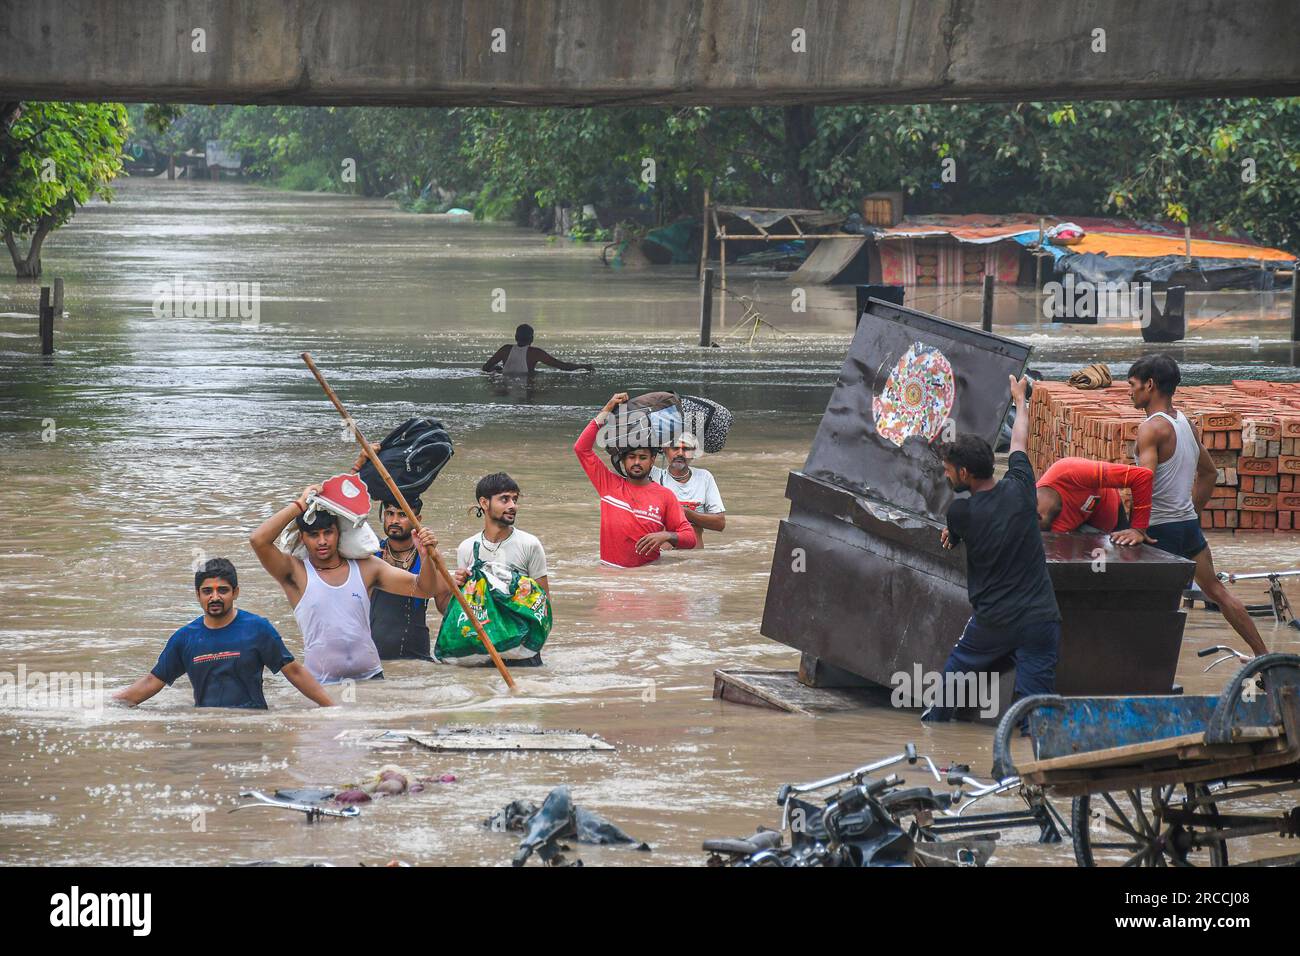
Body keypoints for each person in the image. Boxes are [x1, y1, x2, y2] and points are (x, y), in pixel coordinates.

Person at [926, 375, 1061, 721]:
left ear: (966, 472)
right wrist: (1020, 399)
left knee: (955, 675)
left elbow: (955, 532)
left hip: (994, 621)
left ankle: (937, 735)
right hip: (1040, 618)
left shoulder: (960, 512)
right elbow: (1019, 439)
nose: (946, 476)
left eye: (948, 471)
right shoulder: (1020, 487)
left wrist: (952, 535)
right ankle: (1038, 758)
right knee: (1036, 709)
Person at [1128, 354, 1267, 656]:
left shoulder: (1150, 429)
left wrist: (1138, 528)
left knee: (1144, 607)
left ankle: (1147, 678)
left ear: (1149, 385)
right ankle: (1265, 657)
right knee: (1218, 592)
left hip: (1156, 533)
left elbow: (1144, 482)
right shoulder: (1185, 424)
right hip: (1187, 528)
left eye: (1133, 385)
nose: (1130, 392)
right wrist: (1190, 512)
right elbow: (1209, 473)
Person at [249, 485, 441, 683]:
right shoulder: (295, 572)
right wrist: (300, 503)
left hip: (372, 678)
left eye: (328, 533)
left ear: (339, 533)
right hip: (323, 682)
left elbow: (424, 589)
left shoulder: (366, 567)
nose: (322, 541)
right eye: (314, 535)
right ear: (302, 538)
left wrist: (426, 556)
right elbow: (258, 540)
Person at [114, 558, 333, 709]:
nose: (215, 597)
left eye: (223, 590)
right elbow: (153, 680)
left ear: (235, 593)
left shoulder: (258, 629)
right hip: (206, 726)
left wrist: (332, 708)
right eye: (207, 591)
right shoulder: (184, 638)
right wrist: (111, 704)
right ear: (198, 595)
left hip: (252, 724)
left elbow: (293, 671)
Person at [574, 392, 696, 568]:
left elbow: (690, 538)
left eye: (643, 457)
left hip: (645, 579)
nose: (637, 462)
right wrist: (607, 410)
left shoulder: (665, 496)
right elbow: (581, 449)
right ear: (623, 460)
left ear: (653, 460)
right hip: (610, 577)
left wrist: (666, 536)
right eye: (631, 457)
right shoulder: (608, 484)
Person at [441, 472, 549, 612]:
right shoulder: (467, 548)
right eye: (505, 499)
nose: (513, 506)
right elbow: (461, 609)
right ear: (484, 503)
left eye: (514, 500)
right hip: (482, 631)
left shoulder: (529, 545)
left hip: (520, 632)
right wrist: (458, 586)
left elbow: (544, 607)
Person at [1035, 456, 1154, 545]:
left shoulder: (1072, 472)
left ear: (1037, 515)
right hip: (1086, 536)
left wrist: (1138, 529)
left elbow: (1142, 476)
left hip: (1112, 516)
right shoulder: (1048, 528)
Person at [370, 497, 434, 660]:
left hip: (417, 658)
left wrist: (428, 556)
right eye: (390, 513)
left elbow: (439, 598)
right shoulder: (370, 552)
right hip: (373, 656)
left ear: (417, 520)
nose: (394, 520)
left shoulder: (428, 556)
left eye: (403, 515)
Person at [649, 433, 725, 547]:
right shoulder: (653, 475)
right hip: (663, 556)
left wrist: (685, 512)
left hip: (695, 558)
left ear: (694, 453)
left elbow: (719, 523)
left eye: (686, 449)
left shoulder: (704, 477)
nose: (680, 453)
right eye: (675, 448)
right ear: (665, 450)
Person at [482, 323, 594, 374]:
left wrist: (496, 369)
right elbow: (563, 366)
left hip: (505, 383)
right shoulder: (536, 353)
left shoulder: (505, 349)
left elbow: (486, 368)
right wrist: (582, 366)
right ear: (532, 339)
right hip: (528, 383)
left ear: (516, 337)